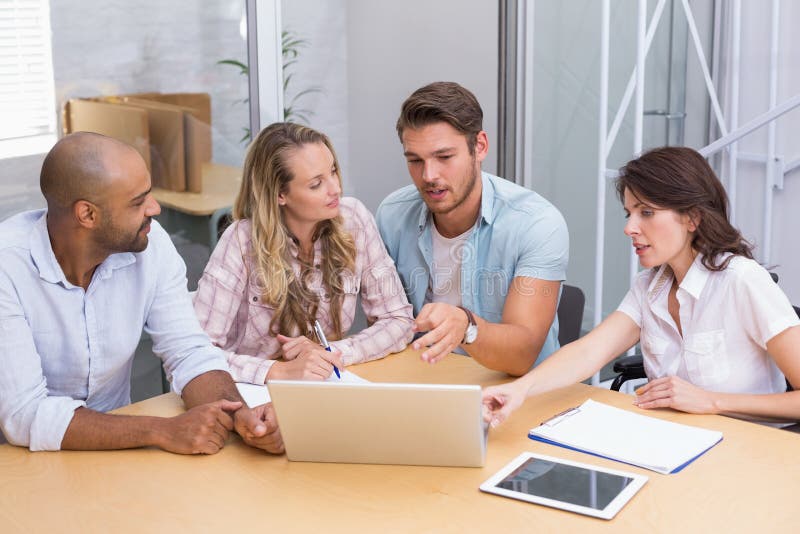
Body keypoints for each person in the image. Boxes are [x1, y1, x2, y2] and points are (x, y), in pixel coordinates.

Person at [0, 132, 283, 454]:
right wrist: (161, 431)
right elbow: (25, 413)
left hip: (119, 447)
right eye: (138, 202)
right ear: (87, 215)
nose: (155, 208)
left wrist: (241, 415)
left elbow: (188, 351)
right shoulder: (7, 267)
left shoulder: (150, 244)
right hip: (20, 463)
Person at [483, 146, 800, 425]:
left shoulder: (742, 281)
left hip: (748, 455)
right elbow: (590, 351)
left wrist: (713, 401)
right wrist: (519, 389)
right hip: (673, 444)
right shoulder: (650, 286)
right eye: (629, 213)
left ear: (692, 219)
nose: (629, 228)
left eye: (646, 212)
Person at [193, 122, 414, 384]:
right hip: (254, 398)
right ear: (280, 194)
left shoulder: (354, 219)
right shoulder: (241, 241)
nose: (335, 189)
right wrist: (278, 372)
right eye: (316, 184)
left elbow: (398, 319)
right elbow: (195, 353)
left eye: (333, 172)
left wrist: (332, 353)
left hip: (323, 389)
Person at [376, 81, 569, 376]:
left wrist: (466, 326)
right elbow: (384, 327)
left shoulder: (536, 223)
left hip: (516, 391)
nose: (428, 176)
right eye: (415, 160)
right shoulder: (392, 214)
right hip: (424, 383)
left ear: (479, 147)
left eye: (444, 157)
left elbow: (522, 353)